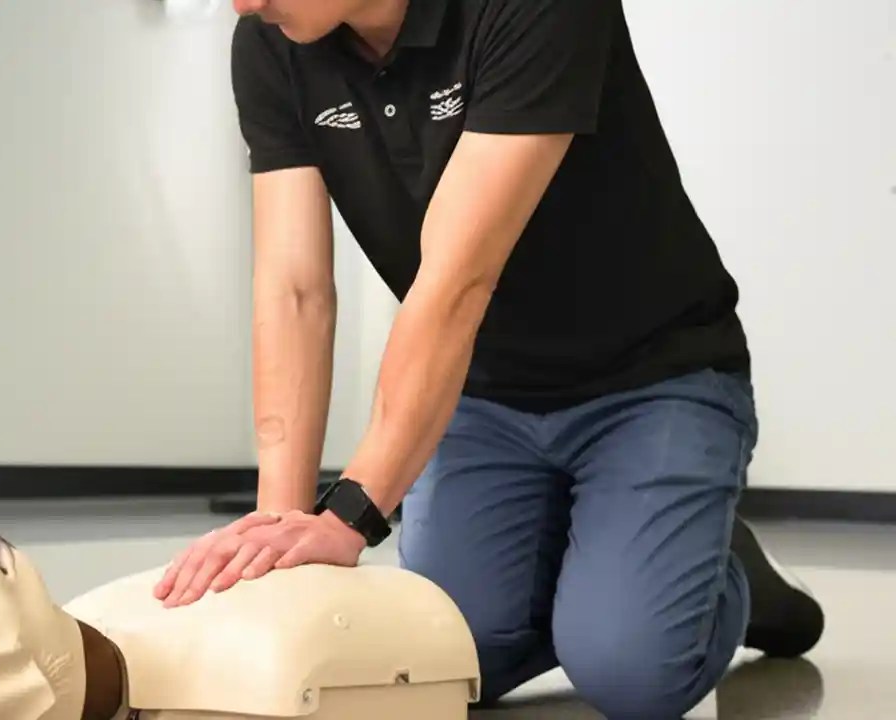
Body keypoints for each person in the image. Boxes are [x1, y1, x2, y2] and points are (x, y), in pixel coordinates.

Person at [153, 0, 825, 718]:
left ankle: (721, 575)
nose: (242, 2)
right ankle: (623, 560)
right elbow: (294, 292)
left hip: (653, 377)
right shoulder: (272, 41)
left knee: (631, 673)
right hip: (478, 392)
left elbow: (457, 279)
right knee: (442, 657)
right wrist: (274, 539)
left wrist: (349, 514)